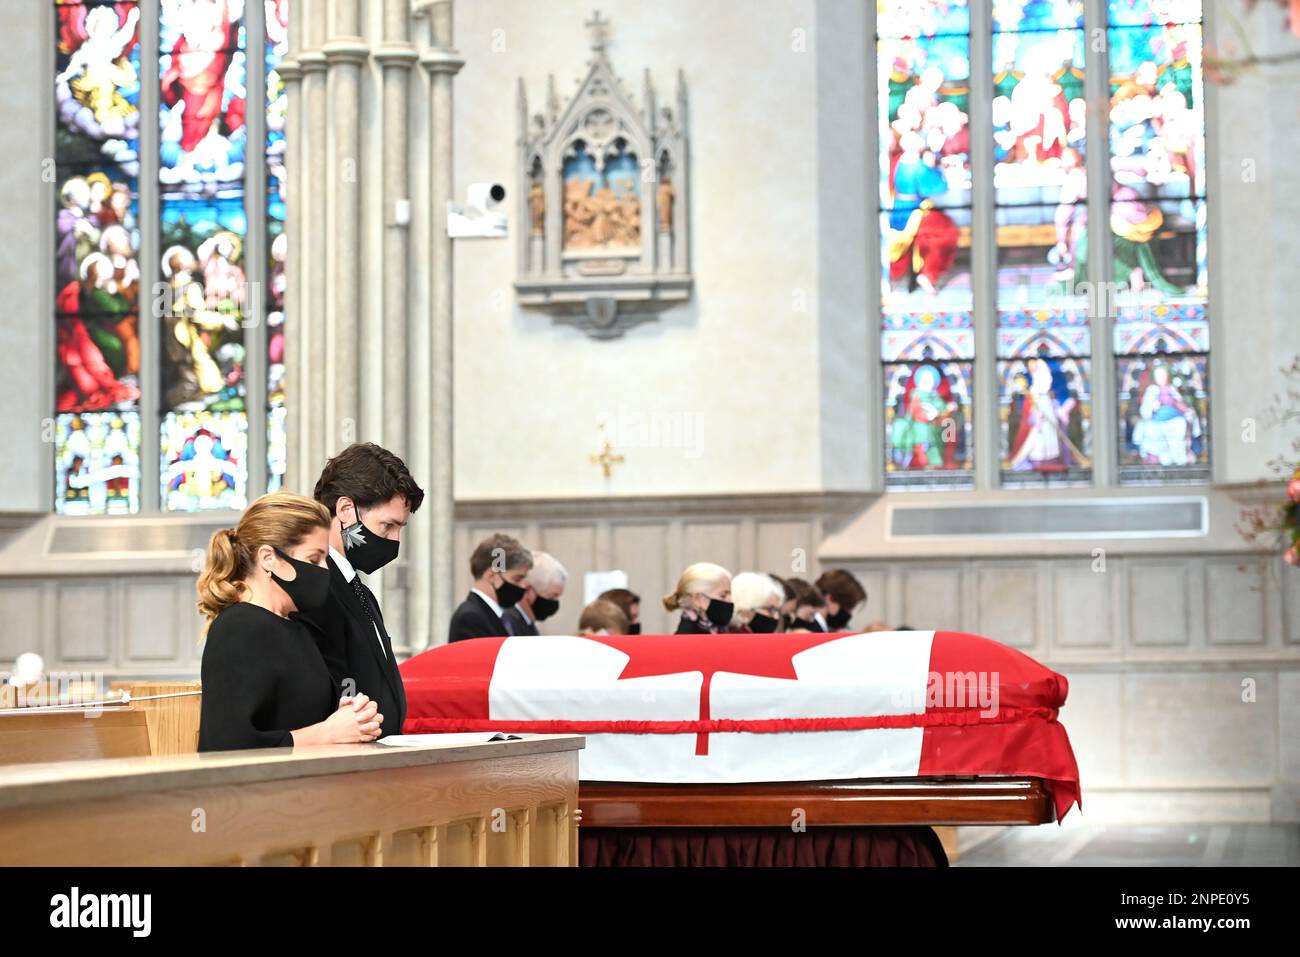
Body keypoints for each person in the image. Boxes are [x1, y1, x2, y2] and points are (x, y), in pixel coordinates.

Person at [197, 492, 383, 752]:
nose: (325, 572)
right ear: (268, 558)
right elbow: (229, 745)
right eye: (313, 559)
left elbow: (295, 717)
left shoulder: (294, 626)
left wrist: (350, 719)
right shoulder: (240, 628)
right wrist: (328, 733)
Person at [298, 443, 424, 739]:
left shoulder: (360, 591)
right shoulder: (316, 587)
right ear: (345, 510)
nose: (394, 541)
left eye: (400, 528)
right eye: (387, 526)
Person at [449, 533, 533, 643]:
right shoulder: (470, 618)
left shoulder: (511, 616)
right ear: (492, 575)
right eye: (517, 579)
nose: (524, 585)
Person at [502, 550, 567, 636]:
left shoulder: (527, 624)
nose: (555, 602)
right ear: (528, 590)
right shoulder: (509, 625)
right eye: (551, 596)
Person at [662, 562, 732, 634]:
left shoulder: (721, 629)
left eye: (731, 594)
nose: (731, 600)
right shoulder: (687, 638)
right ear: (698, 599)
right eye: (723, 596)